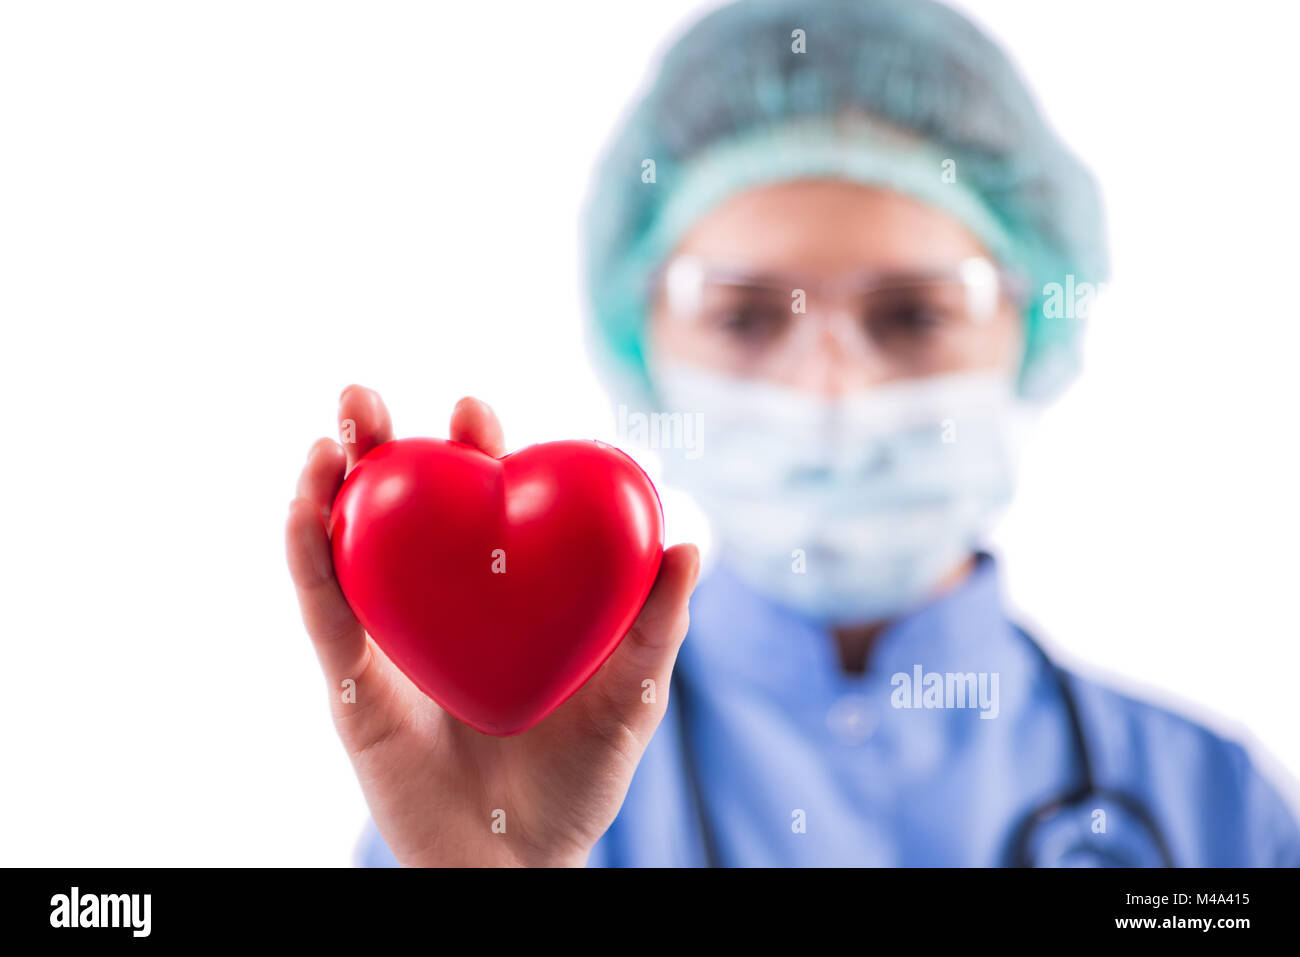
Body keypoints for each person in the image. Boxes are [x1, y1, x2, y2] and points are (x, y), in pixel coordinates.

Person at [286, 0, 1300, 866]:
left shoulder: (1212, 807)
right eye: (745, 315)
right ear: (639, 339)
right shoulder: (494, 784)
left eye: (909, 314)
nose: (828, 387)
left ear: (1035, 326)